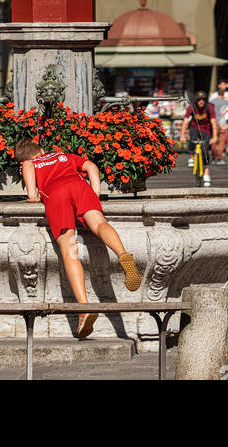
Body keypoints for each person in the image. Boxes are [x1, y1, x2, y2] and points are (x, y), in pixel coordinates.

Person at [17, 138, 140, 338]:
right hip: (79, 186)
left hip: (56, 194)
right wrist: (95, 193)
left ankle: (84, 307)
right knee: (99, 224)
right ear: (41, 149)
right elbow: (91, 166)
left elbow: (32, 193)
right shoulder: (63, 155)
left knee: (69, 249)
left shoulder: (29, 163)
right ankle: (123, 254)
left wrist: (32, 195)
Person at [179, 91, 218, 186]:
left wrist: (215, 136)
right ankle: (191, 157)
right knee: (192, 139)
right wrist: (182, 135)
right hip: (194, 128)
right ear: (196, 101)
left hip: (206, 130)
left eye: (203, 99)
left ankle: (206, 174)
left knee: (205, 152)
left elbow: (213, 122)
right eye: (199, 100)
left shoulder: (210, 107)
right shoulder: (191, 107)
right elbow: (185, 121)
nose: (201, 101)